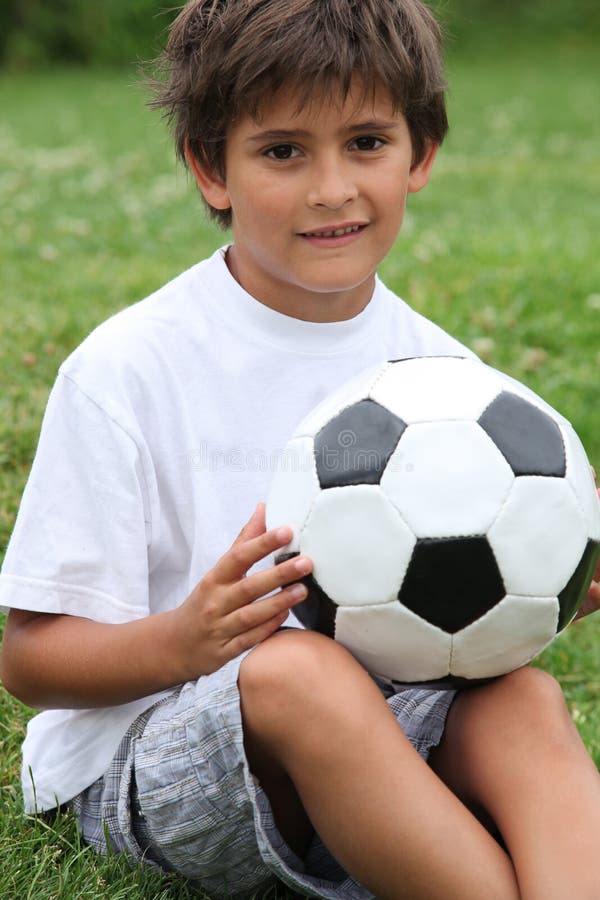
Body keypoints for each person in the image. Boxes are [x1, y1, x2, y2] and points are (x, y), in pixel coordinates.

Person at [1, 1, 600, 897]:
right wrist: (186, 639)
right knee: (295, 671)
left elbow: (442, 644)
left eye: (366, 143)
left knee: (524, 701)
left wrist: (530, 594)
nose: (332, 188)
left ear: (420, 154)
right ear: (212, 169)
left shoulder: (446, 380)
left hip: (376, 739)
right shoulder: (132, 370)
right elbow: (30, 660)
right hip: (147, 763)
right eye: (283, 151)